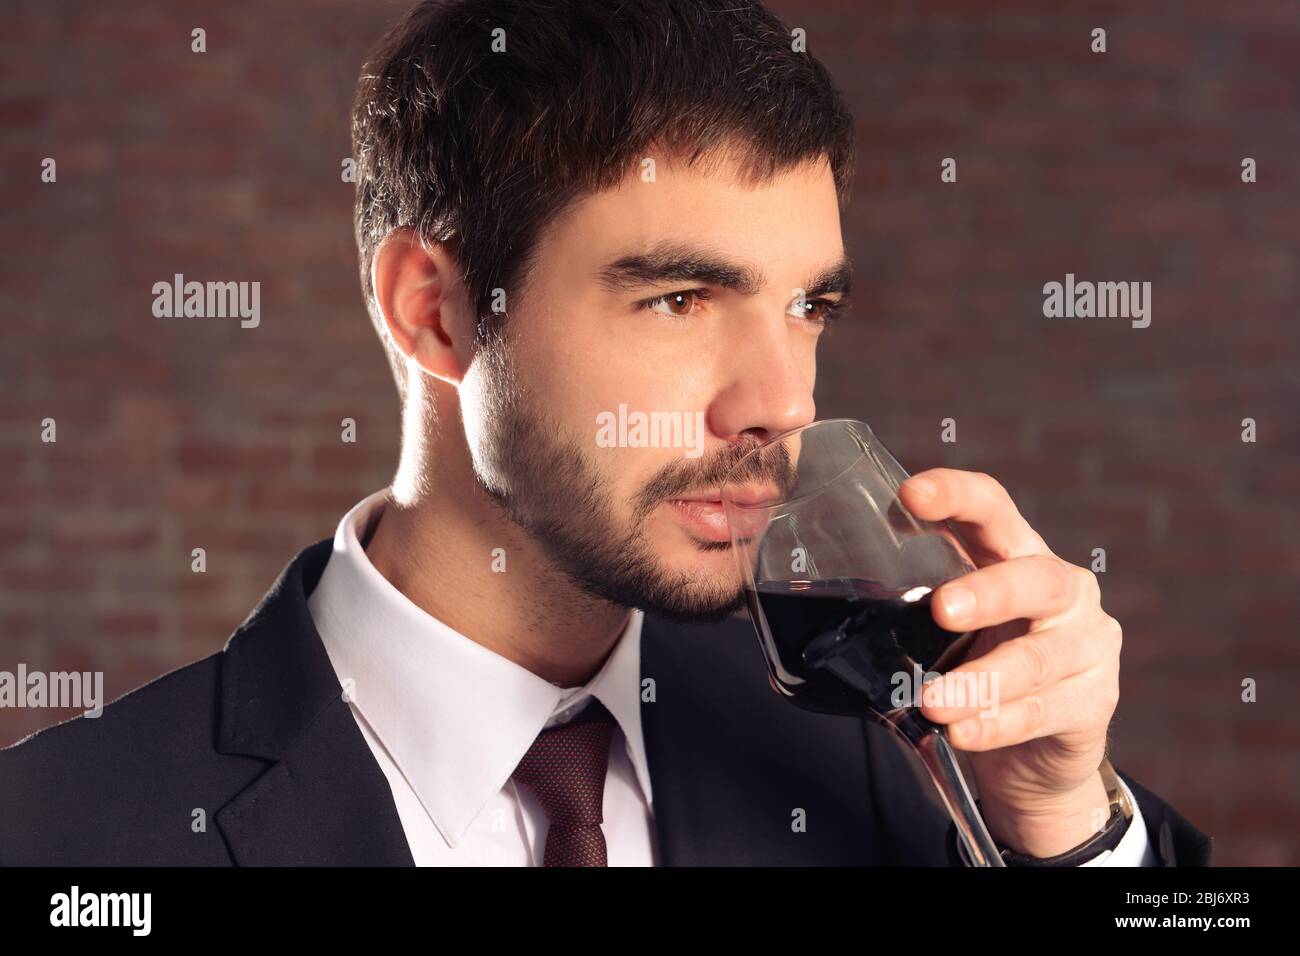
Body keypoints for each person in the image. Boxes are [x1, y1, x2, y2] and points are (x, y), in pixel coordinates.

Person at [0, 0, 1210, 866]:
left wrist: (1063, 829)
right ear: (434, 310)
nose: (782, 404)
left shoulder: (887, 765)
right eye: (680, 299)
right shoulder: (61, 833)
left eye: (809, 308)